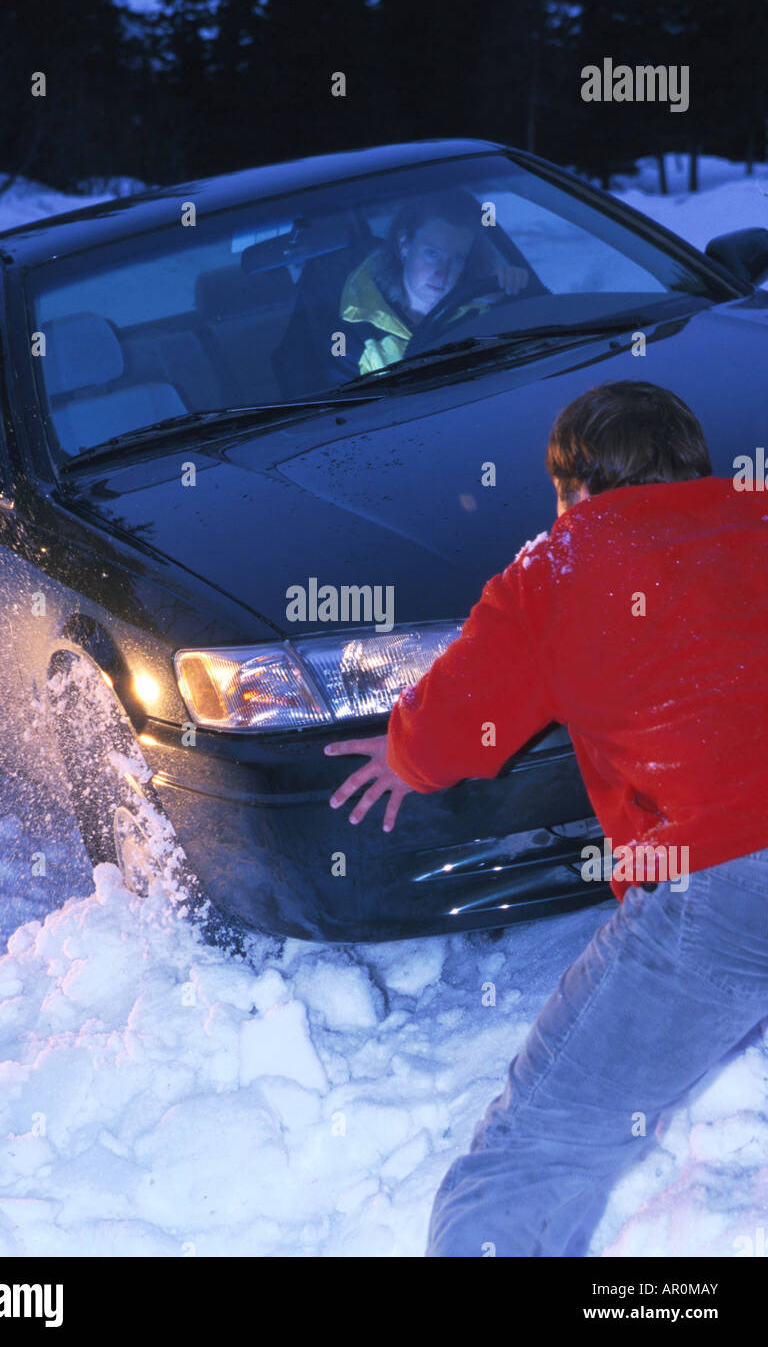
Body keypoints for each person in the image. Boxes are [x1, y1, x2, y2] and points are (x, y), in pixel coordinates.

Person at [324, 379, 768, 1257]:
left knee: (538, 1149)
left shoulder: (561, 564)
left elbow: (463, 713)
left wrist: (403, 757)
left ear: (573, 488)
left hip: (717, 883)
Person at [338, 189, 529, 376]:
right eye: (432, 254)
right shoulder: (356, 330)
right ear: (404, 245)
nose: (442, 273)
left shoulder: (481, 305)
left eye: (456, 259)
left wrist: (513, 290)